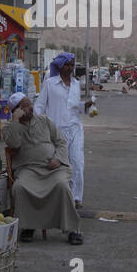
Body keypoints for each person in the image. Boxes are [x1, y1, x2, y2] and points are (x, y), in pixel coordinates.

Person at [3, 93, 82, 245]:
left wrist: (58, 158)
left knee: (62, 186)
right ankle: (28, 226)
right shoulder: (9, 127)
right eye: (25, 106)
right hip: (28, 170)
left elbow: (61, 142)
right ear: (16, 110)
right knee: (19, 187)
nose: (30, 107)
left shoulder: (44, 120)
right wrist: (15, 120)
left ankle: (73, 229)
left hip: (53, 168)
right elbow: (13, 143)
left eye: (29, 104)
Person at [33, 52, 92, 208]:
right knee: (57, 166)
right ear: (59, 65)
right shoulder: (50, 83)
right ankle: (57, 196)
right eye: (67, 65)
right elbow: (39, 105)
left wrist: (84, 106)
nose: (69, 68)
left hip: (75, 129)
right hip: (56, 132)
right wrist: (34, 123)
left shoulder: (76, 84)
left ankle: (76, 197)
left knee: (77, 163)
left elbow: (74, 107)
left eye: (72, 65)